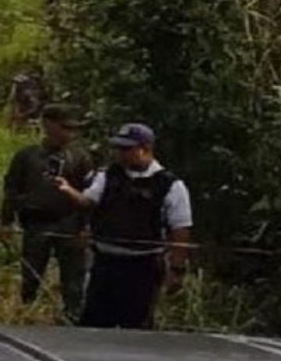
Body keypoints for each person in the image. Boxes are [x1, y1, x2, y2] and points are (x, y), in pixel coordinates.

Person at [55, 123, 192, 330]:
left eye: (126, 149)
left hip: (143, 266)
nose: (120, 154)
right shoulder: (107, 176)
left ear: (144, 148)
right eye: (118, 148)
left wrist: (177, 269)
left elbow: (180, 229)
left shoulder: (170, 185)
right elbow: (89, 202)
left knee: (135, 327)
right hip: (105, 261)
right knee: (93, 324)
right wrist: (67, 190)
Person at [0, 104, 93, 321]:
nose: (69, 134)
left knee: (73, 279)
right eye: (64, 128)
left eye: (72, 129)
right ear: (48, 126)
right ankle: (26, 314)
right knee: (31, 275)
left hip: (70, 223)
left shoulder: (80, 157)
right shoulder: (27, 156)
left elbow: (89, 195)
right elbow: (11, 190)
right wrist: (5, 221)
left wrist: (86, 226)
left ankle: (72, 317)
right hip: (35, 223)